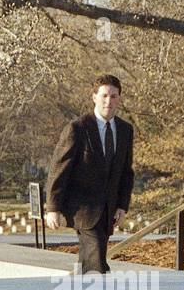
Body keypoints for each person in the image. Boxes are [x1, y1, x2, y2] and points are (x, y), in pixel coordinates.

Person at [45, 75, 135, 273]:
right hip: (82, 209)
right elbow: (59, 169)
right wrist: (53, 207)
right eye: (104, 95)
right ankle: (98, 289)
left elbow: (126, 172)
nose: (108, 101)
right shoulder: (77, 128)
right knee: (96, 258)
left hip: (108, 210)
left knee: (92, 258)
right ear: (94, 97)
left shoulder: (125, 130)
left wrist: (122, 205)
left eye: (113, 96)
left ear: (119, 99)